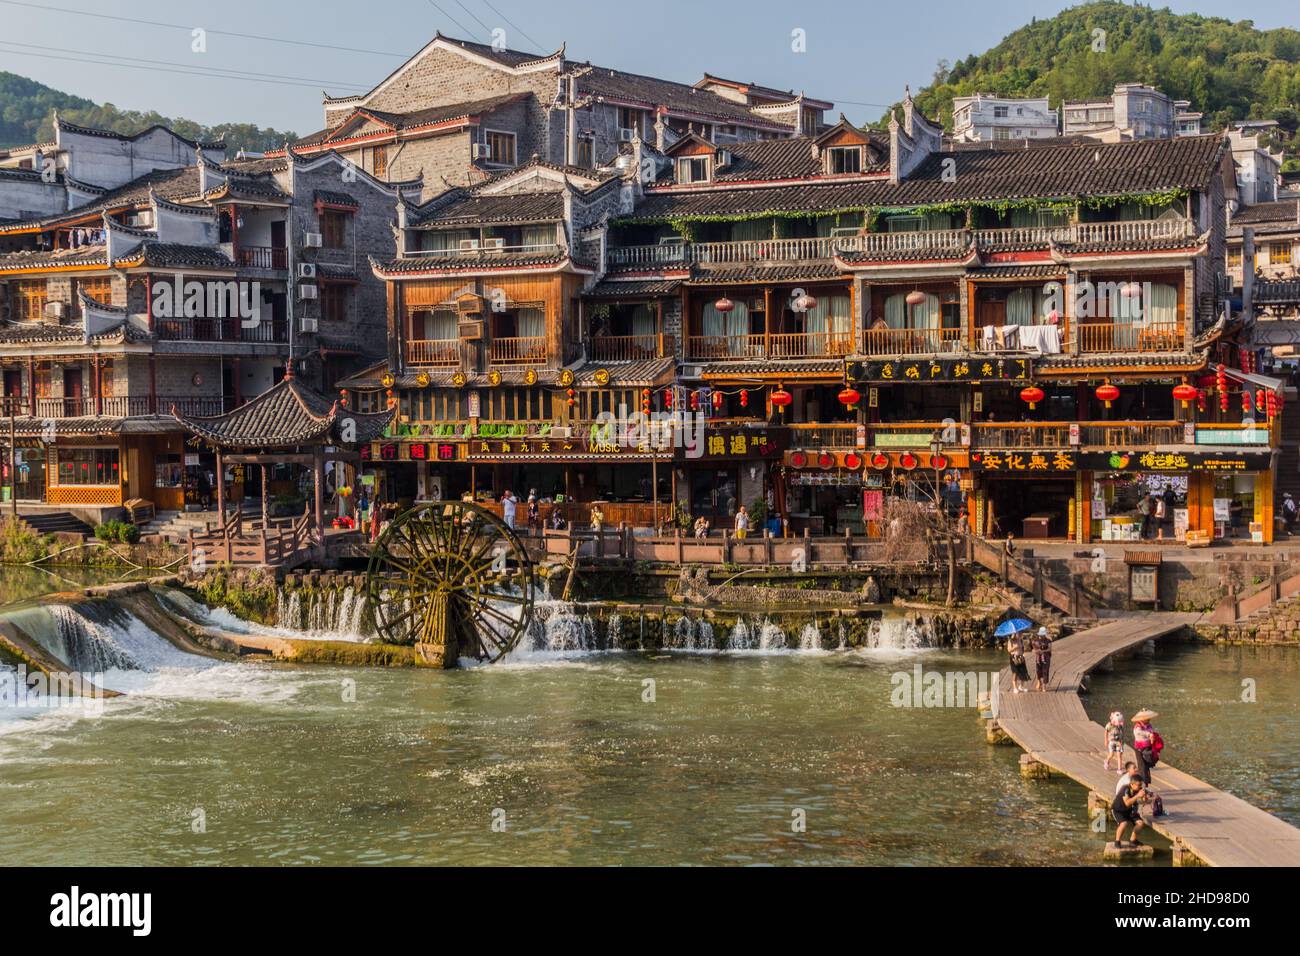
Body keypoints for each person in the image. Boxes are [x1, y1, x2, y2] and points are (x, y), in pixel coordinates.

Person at [1111, 774, 1149, 849]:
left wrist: (1145, 798)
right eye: (1138, 785)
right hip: (1119, 810)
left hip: (1130, 810)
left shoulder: (1139, 789)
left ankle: (1133, 840)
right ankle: (1117, 841)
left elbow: (1143, 801)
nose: (1140, 786)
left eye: (1141, 784)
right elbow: (1127, 803)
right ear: (1132, 784)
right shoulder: (1125, 789)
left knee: (1140, 823)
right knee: (1124, 823)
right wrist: (1138, 795)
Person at [1132, 709, 1162, 786]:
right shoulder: (1137, 726)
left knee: (1148, 764)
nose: (1149, 720)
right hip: (1140, 748)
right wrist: (1149, 734)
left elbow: (1151, 731)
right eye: (1147, 719)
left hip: (1148, 746)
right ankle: (1142, 783)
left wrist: (1152, 736)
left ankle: (1146, 782)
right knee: (1142, 766)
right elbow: (1139, 732)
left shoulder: (1149, 725)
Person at [1031, 626, 1052, 691]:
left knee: (1045, 671)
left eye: (1042, 635)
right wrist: (1034, 650)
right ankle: (1039, 682)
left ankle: (1044, 686)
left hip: (1046, 658)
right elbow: (1032, 649)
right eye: (1040, 634)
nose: (1041, 636)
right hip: (1038, 658)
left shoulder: (1048, 640)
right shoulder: (1035, 640)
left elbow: (1049, 649)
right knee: (1038, 671)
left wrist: (1042, 651)